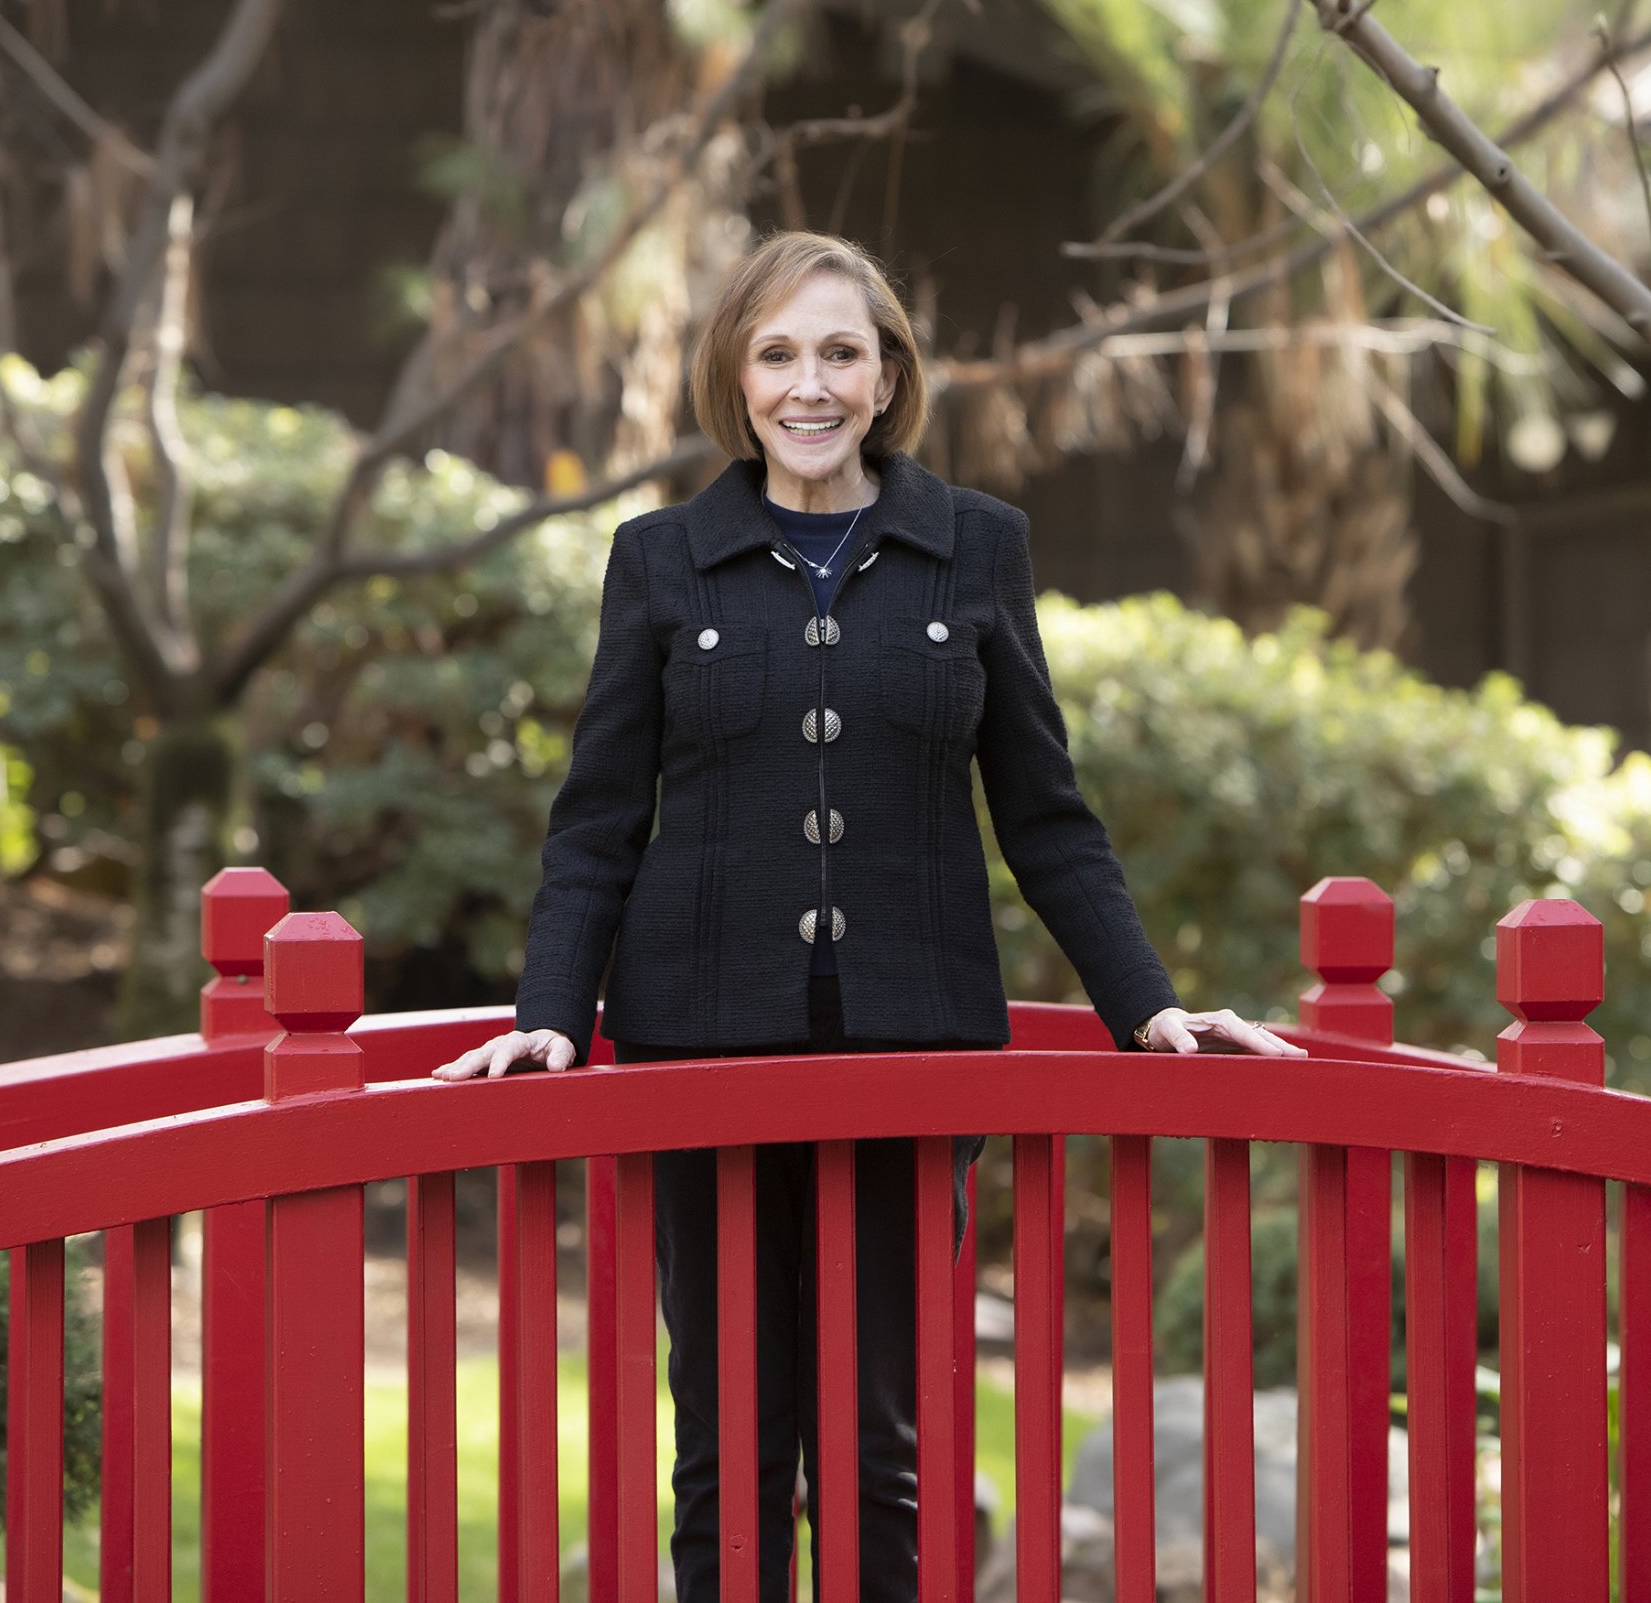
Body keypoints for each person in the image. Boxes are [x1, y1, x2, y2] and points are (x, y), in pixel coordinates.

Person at [433, 229, 1300, 1603]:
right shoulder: (660, 561)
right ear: (737, 374)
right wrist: (550, 1014)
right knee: (724, 1447)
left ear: (890, 375)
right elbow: (599, 819)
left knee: (883, 1444)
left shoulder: (975, 550)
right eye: (778, 353)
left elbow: (1044, 811)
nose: (810, 385)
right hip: (698, 1058)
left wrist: (1148, 1003)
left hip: (912, 1050)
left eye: (842, 351)